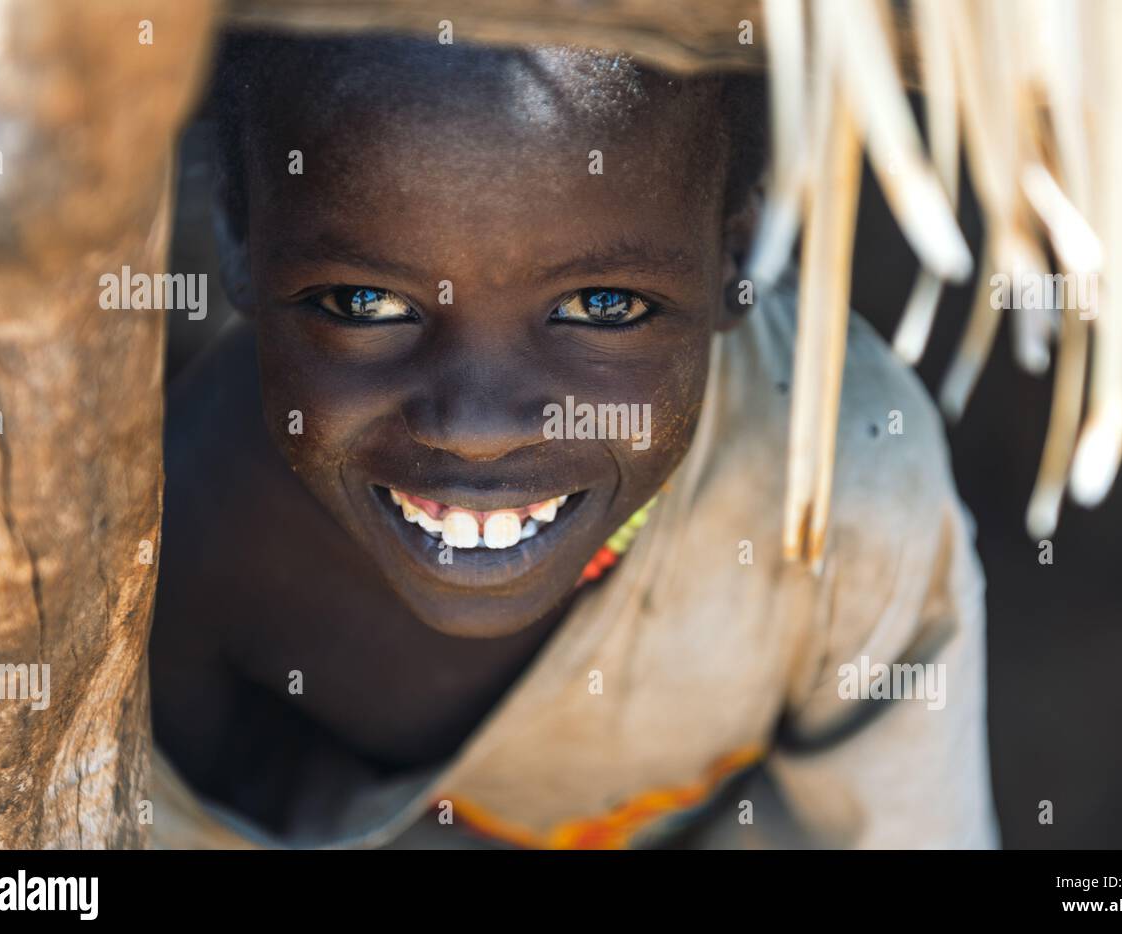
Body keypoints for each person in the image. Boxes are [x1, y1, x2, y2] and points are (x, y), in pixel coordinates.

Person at [148, 32, 997, 849]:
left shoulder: (843, 491)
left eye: (600, 306)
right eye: (365, 304)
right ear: (240, 235)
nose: (475, 432)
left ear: (739, 249)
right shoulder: (165, 544)